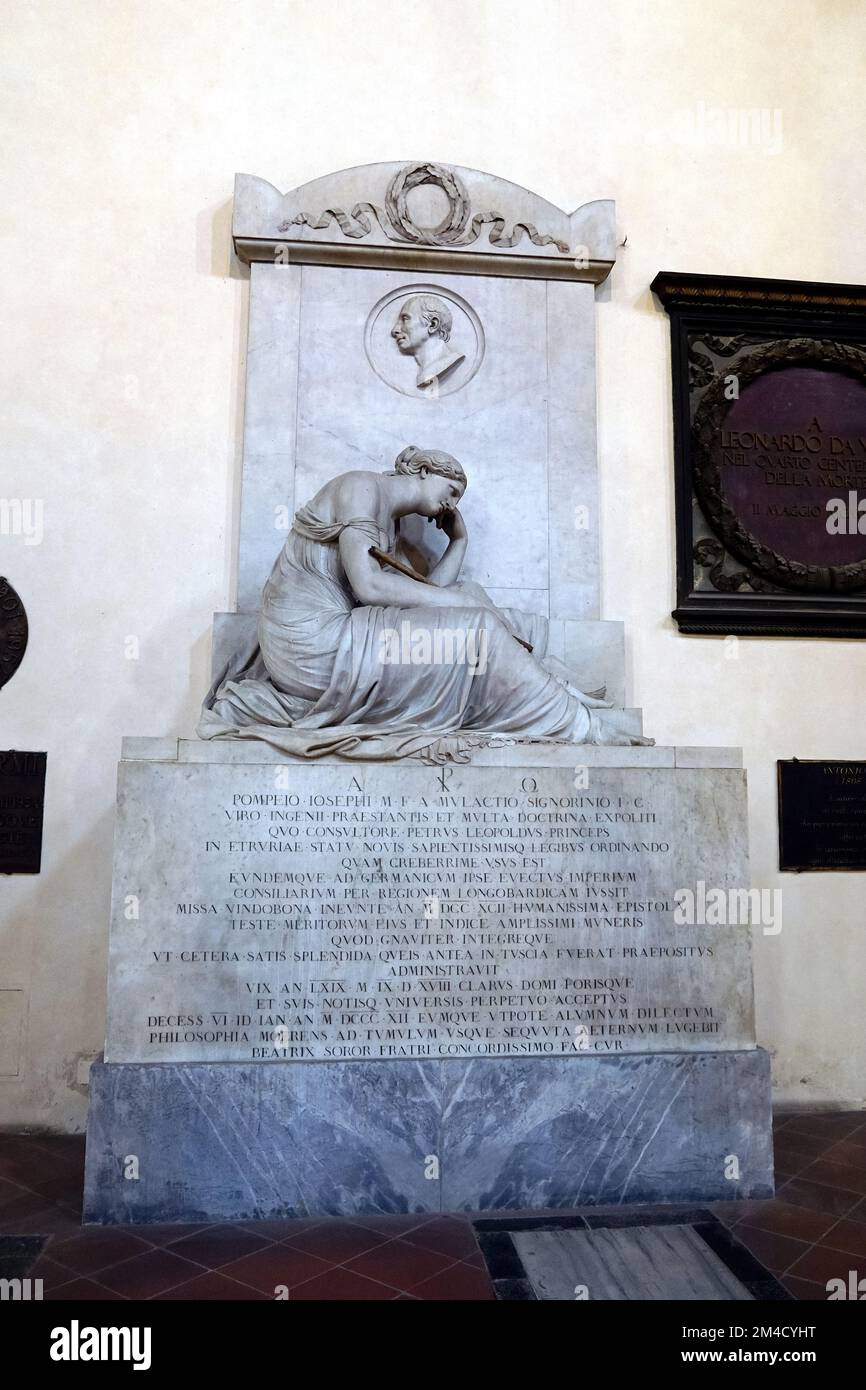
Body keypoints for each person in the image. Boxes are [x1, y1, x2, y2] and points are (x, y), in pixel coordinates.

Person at [199, 446, 651, 758]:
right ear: (422, 472)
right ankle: (579, 726)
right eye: (451, 491)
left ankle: (559, 688)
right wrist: (461, 611)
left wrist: (460, 542)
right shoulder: (360, 487)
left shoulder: (387, 526)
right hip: (312, 647)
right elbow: (372, 590)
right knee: (475, 627)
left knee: (470, 598)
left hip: (341, 638)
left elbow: (422, 598)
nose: (449, 505)